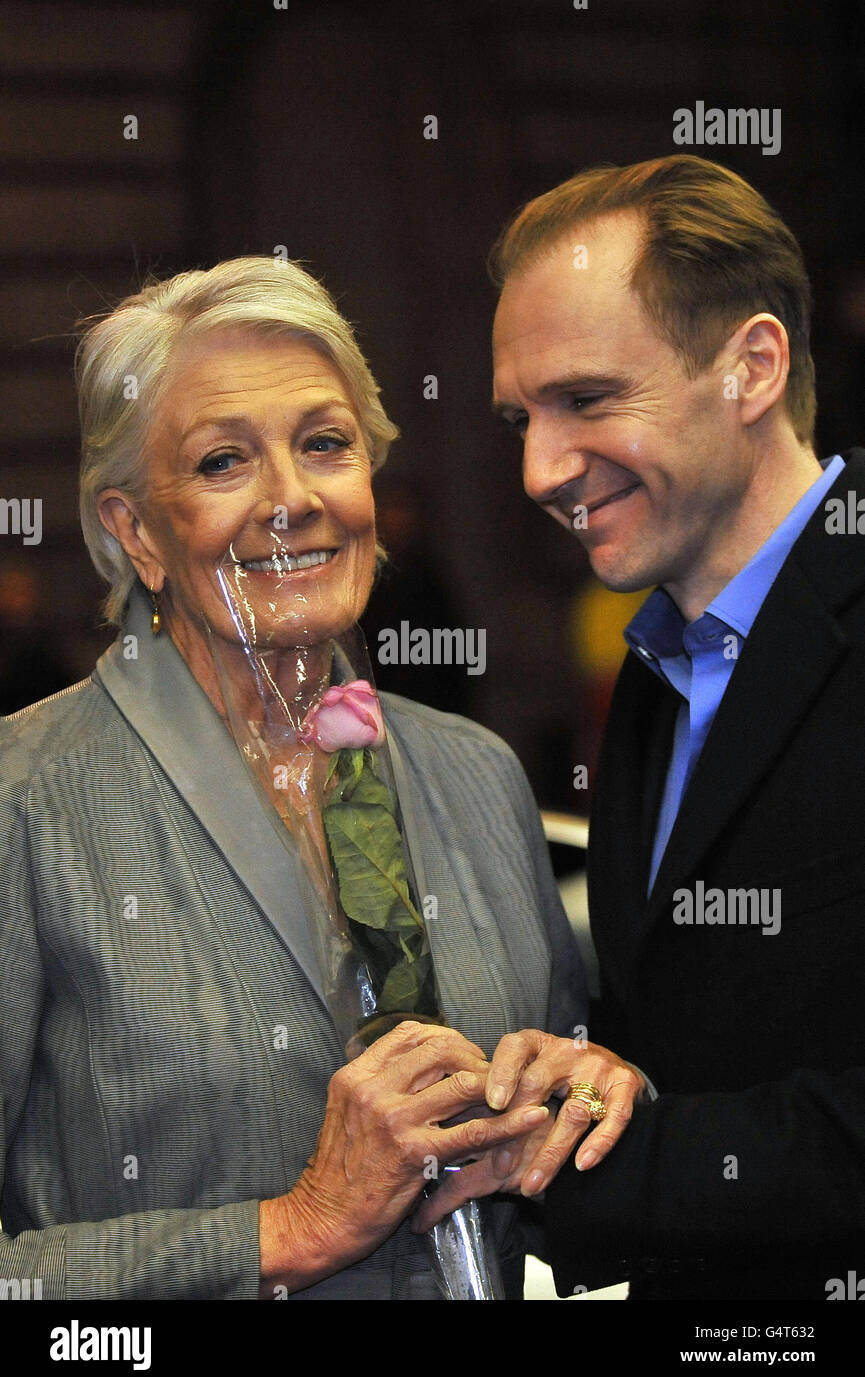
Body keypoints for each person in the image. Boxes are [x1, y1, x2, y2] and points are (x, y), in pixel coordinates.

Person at [0, 256, 643, 1300]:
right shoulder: (24, 806)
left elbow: (563, 1137)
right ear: (135, 533)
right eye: (221, 463)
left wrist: (598, 1102)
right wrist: (285, 1231)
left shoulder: (473, 774)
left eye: (325, 445)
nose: (291, 500)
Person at [421, 155, 865, 1301]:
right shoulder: (661, 671)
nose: (536, 468)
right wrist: (599, 1081)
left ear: (751, 367)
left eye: (586, 399)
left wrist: (580, 1168)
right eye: (521, 417)